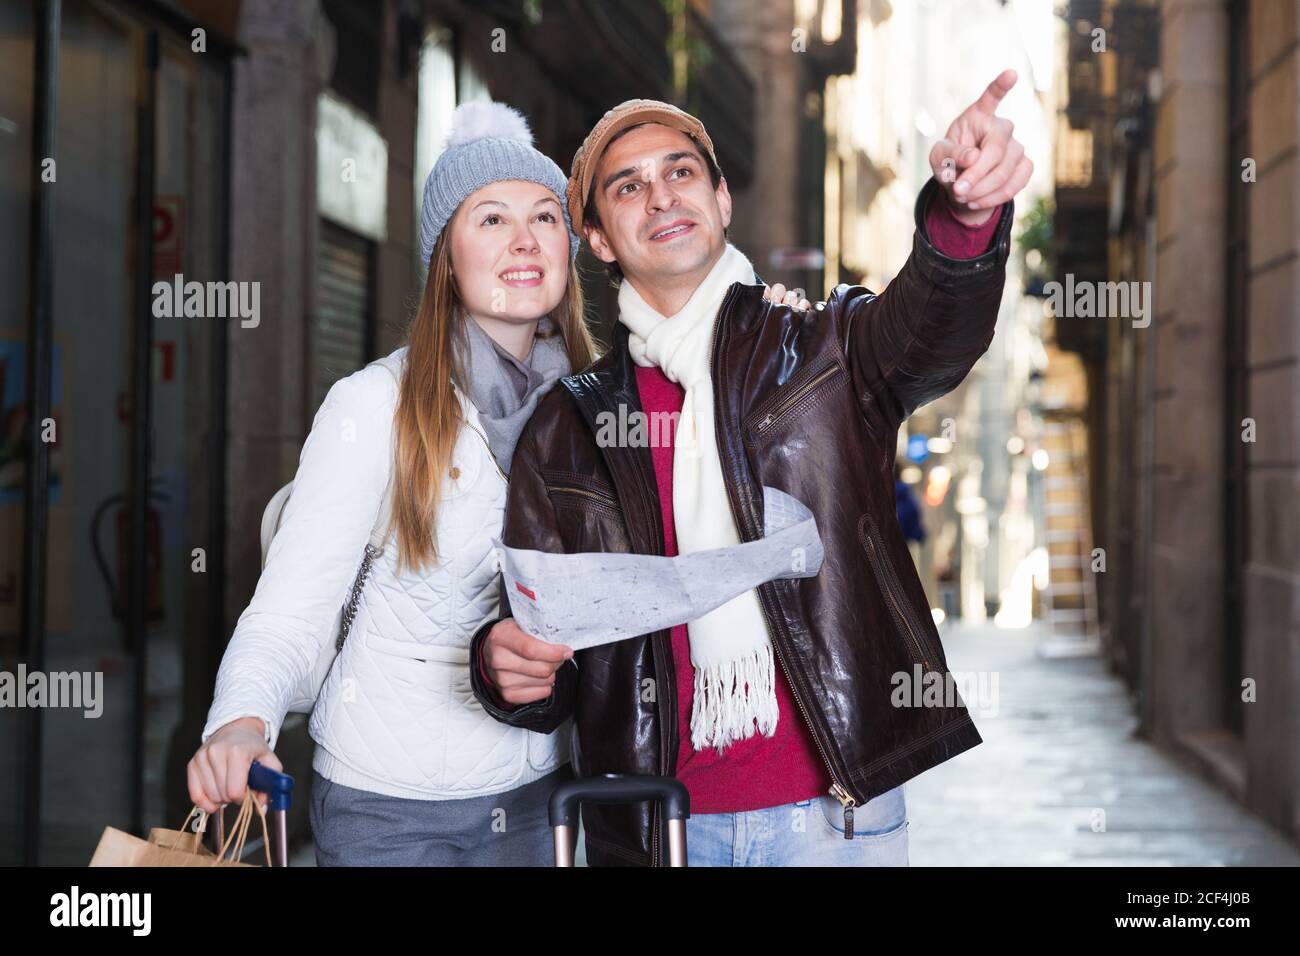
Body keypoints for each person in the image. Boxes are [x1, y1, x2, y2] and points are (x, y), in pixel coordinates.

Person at [471, 71, 1032, 867]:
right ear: (596, 238)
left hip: (835, 820)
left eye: (681, 172)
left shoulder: (827, 350)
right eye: (627, 187)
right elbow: (551, 657)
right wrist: (505, 670)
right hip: (659, 828)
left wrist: (964, 215)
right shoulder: (567, 426)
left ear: (722, 200)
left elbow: (932, 331)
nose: (661, 196)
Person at [187, 101, 598, 866]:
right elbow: (290, 609)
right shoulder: (374, 405)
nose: (524, 240)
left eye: (546, 217)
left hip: (544, 799)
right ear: (446, 254)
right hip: (389, 811)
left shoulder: (597, 412)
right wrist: (242, 721)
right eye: (491, 219)